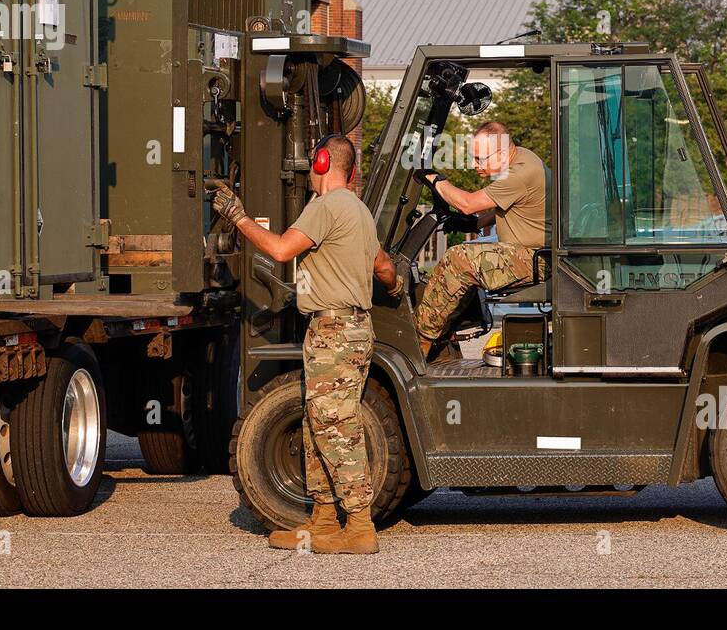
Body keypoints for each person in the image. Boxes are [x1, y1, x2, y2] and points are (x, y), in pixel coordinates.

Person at [210, 134, 399, 555]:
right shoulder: (359, 210)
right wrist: (395, 286)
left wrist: (238, 218)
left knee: (337, 426)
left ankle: (360, 528)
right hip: (348, 328)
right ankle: (325, 519)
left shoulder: (327, 205)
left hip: (334, 330)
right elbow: (382, 265)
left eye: (312, 161)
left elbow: (281, 249)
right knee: (318, 423)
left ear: (322, 162)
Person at [414, 121, 547, 358]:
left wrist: (433, 178)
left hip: (534, 259)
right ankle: (444, 330)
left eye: (480, 159)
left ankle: (419, 341)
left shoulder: (520, 173)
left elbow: (467, 204)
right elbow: (511, 206)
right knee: (468, 259)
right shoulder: (522, 158)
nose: (474, 165)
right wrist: (474, 224)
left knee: (459, 259)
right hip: (530, 253)